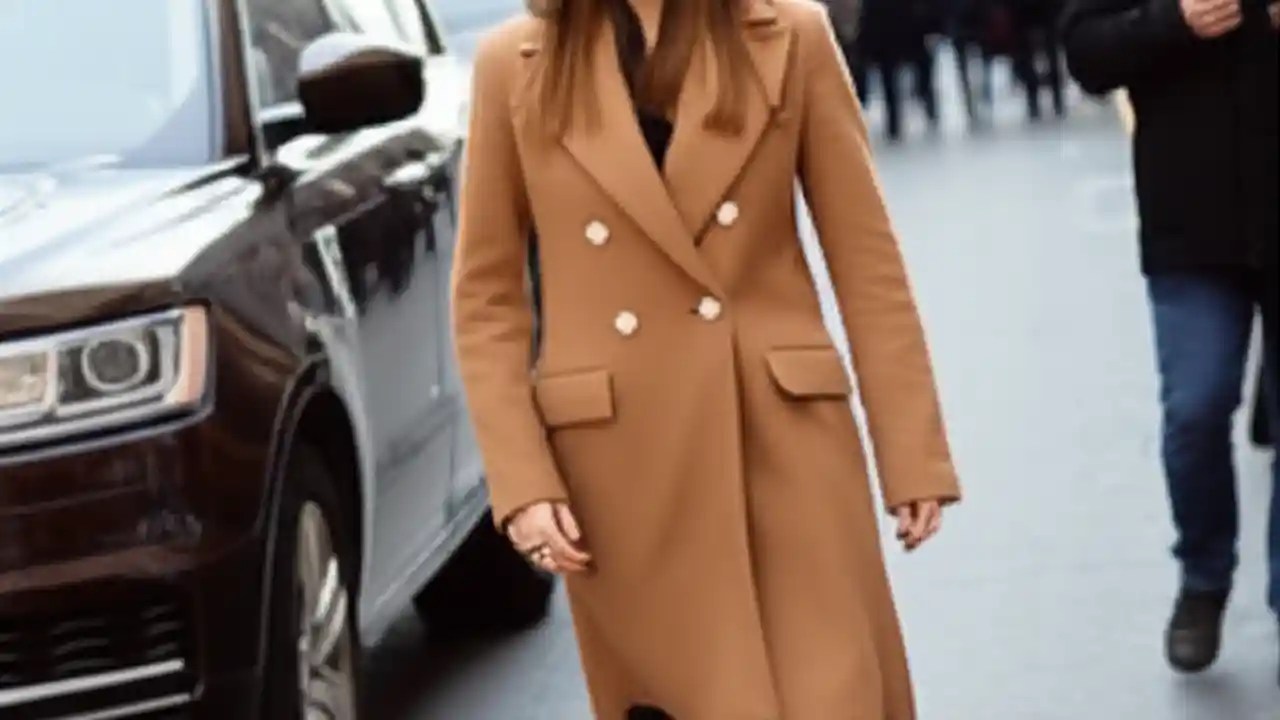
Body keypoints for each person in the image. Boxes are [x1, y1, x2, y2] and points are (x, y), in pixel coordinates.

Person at [450, 0, 962, 717]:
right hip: (623, 467)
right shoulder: (519, 60)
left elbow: (866, 260)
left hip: (788, 440)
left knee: (834, 692)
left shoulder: (790, 34)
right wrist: (523, 481)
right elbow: (487, 298)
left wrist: (912, 452)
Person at [1062, 0, 1279, 679]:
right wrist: (1173, 21)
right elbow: (1085, 54)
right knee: (1195, 408)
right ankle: (1204, 577)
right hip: (1190, 225)